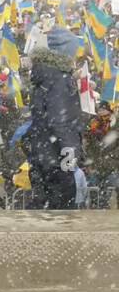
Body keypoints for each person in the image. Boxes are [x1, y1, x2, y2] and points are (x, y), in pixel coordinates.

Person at [27, 29, 85, 209]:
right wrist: (70, 155)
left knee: (45, 210)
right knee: (63, 215)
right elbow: (60, 122)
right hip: (58, 158)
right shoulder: (59, 79)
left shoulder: (46, 76)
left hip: (44, 154)